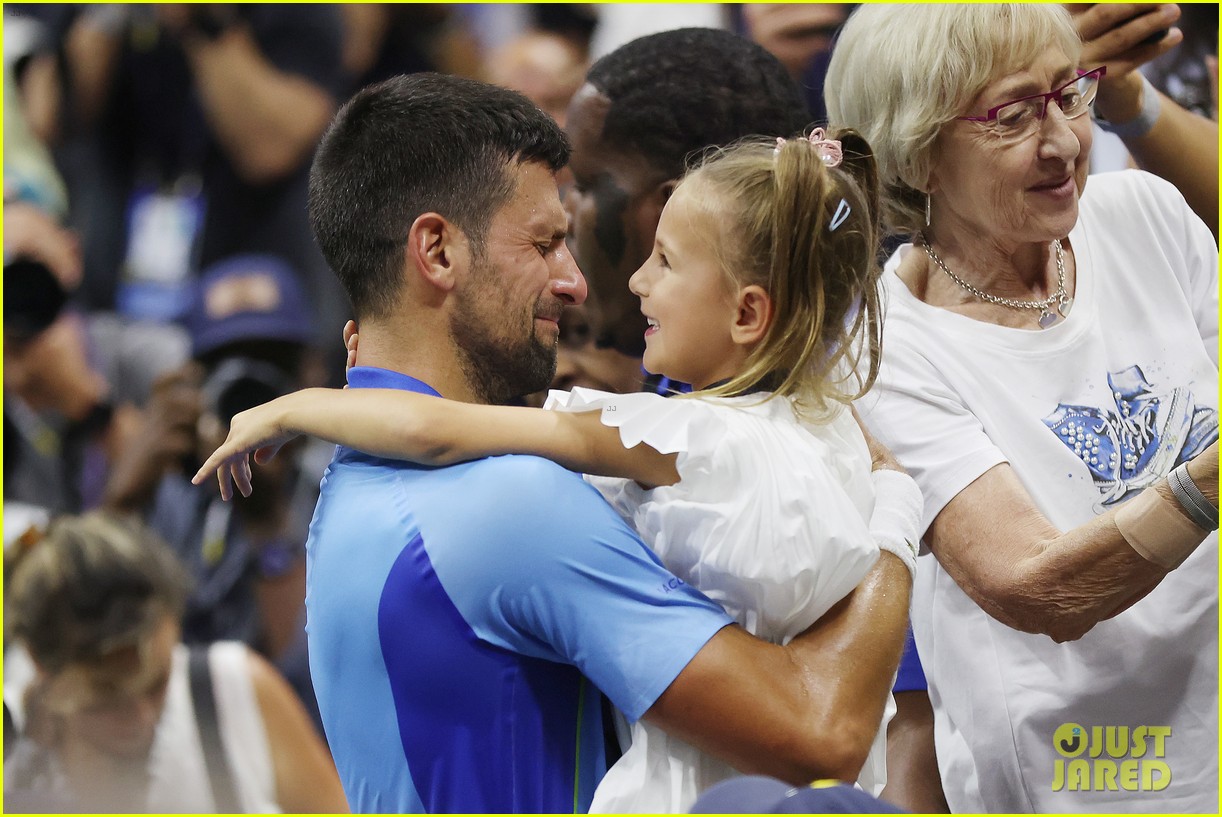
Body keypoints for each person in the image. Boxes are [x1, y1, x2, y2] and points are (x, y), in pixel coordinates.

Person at [190, 71, 915, 813]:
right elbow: (822, 735)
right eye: (544, 242)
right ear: (436, 251)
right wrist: (895, 517)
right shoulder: (509, 499)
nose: (578, 281)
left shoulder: (355, 475)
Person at [825, 4, 1218, 812]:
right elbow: (1038, 588)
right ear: (916, 155)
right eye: (1012, 115)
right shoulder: (886, 349)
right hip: (1087, 774)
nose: (1065, 142)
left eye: (1069, 94)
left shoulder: (1146, 216)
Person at [2, 511, 347, 813]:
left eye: (159, 683)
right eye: (106, 698)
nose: (143, 717)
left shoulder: (232, 689)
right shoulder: (12, 763)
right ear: (40, 665)